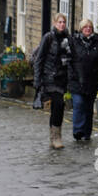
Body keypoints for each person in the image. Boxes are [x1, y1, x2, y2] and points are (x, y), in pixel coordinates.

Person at [68, 17, 98, 142]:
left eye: (90, 27)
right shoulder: (74, 42)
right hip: (76, 80)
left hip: (92, 80)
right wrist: (70, 74)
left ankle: (87, 132)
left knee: (88, 107)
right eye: (85, 27)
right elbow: (68, 60)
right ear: (81, 29)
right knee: (78, 103)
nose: (88, 29)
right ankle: (77, 130)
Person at [32, 13, 72, 150]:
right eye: (59, 22)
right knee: (58, 103)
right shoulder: (48, 38)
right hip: (49, 77)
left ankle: (55, 136)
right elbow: (39, 59)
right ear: (55, 23)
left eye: (64, 22)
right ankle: (56, 137)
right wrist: (37, 81)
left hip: (62, 78)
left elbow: (71, 58)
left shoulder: (68, 39)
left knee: (58, 107)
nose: (62, 24)